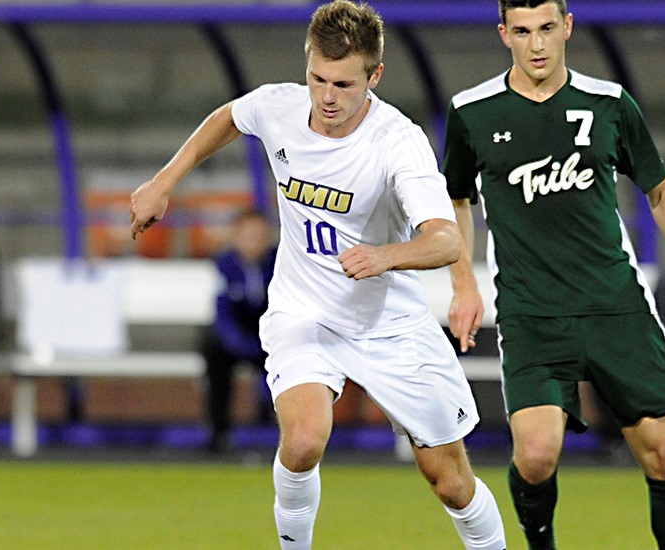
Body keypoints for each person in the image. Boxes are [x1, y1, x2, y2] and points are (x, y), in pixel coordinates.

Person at [129, 2, 506, 548]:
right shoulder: (279, 107)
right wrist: (164, 181)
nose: (328, 97)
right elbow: (229, 117)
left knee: (449, 481)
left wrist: (384, 257)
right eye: (318, 79)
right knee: (304, 440)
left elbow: (446, 239)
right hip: (304, 313)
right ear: (307, 63)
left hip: (389, 323)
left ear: (375, 76)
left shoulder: (398, 142)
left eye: (345, 84)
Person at [441, 1, 665, 549]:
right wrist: (463, 282)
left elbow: (659, 190)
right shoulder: (472, 111)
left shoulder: (610, 103)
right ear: (504, 35)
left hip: (613, 303)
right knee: (537, 455)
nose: (537, 44)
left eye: (547, 28)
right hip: (531, 310)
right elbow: (455, 200)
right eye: (522, 32)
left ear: (566, 26)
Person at [203, 209, 277, 454]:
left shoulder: (280, 263)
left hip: (274, 335)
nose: (254, 242)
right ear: (236, 237)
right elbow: (222, 313)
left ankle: (291, 435)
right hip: (239, 337)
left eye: (260, 236)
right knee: (212, 349)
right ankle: (219, 433)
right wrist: (244, 344)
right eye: (248, 236)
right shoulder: (224, 265)